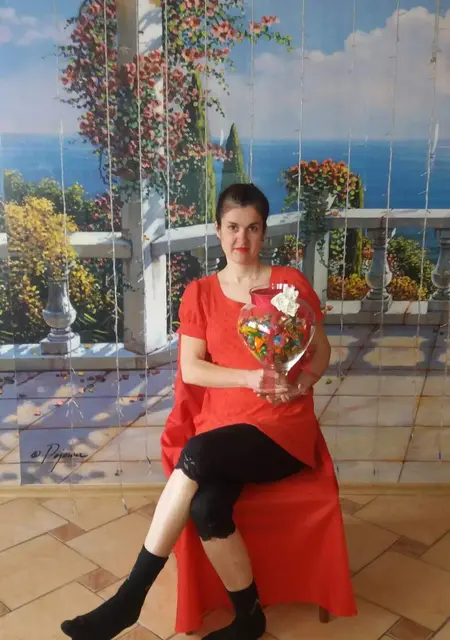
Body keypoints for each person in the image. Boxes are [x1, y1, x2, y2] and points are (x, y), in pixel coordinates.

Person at [61, 183, 331, 640]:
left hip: (281, 430)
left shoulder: (289, 284)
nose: (241, 239)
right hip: (225, 426)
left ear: (264, 232)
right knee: (207, 507)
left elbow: (321, 351)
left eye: (252, 228)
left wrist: (300, 383)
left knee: (198, 454)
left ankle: (128, 600)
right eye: (232, 227)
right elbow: (192, 368)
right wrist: (250, 379)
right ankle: (249, 618)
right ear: (218, 230)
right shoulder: (200, 293)